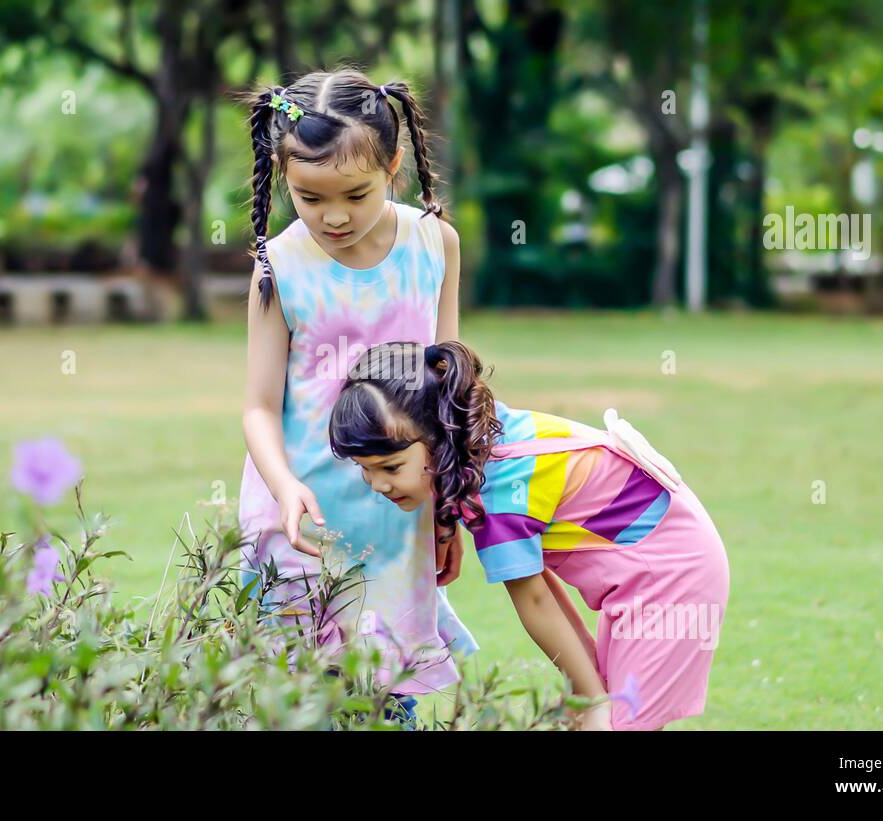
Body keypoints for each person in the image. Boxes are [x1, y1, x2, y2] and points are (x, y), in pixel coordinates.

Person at [327, 340, 732, 730]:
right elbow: (543, 587)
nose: (377, 484)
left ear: (436, 437)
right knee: (603, 709)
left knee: (619, 720)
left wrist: (590, 700)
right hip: (655, 570)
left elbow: (534, 599)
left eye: (391, 467)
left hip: (672, 578)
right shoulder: (485, 439)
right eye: (365, 469)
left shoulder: (499, 491)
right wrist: (587, 691)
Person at [236, 68, 478, 714]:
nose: (333, 216)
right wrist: (285, 487)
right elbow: (259, 406)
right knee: (294, 700)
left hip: (398, 515)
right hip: (302, 520)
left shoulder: (435, 244)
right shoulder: (280, 266)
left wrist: (448, 506)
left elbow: (445, 389)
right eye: (309, 198)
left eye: (354, 193)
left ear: (394, 166)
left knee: (381, 700)